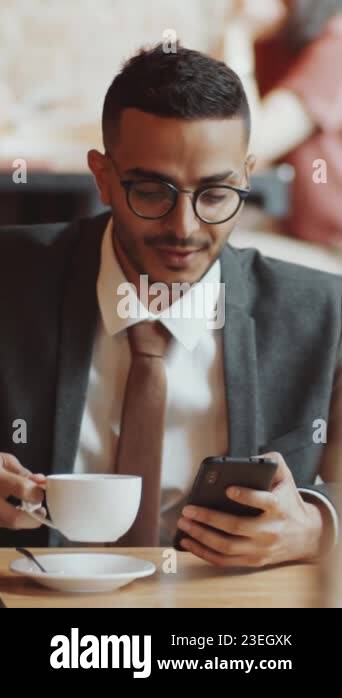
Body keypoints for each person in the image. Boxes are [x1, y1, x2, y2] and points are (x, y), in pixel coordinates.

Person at [0, 43, 341, 568]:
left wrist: (316, 527)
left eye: (215, 193)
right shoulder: (11, 279)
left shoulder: (322, 314)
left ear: (246, 177)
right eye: (153, 192)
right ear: (104, 177)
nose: (184, 227)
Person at [221, 0, 342, 245]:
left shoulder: (335, 43)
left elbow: (252, 144)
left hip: (332, 242)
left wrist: (237, 33)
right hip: (292, 227)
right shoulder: (273, 38)